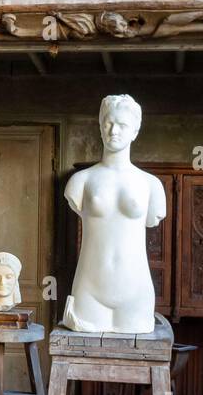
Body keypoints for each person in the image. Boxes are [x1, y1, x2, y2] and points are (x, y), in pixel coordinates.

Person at [62, 95, 166, 334]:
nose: (113, 131)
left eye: (122, 125)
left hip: (136, 291)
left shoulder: (151, 185)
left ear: (135, 131)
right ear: (100, 127)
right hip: (90, 289)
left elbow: (154, 216)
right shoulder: (81, 181)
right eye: (107, 124)